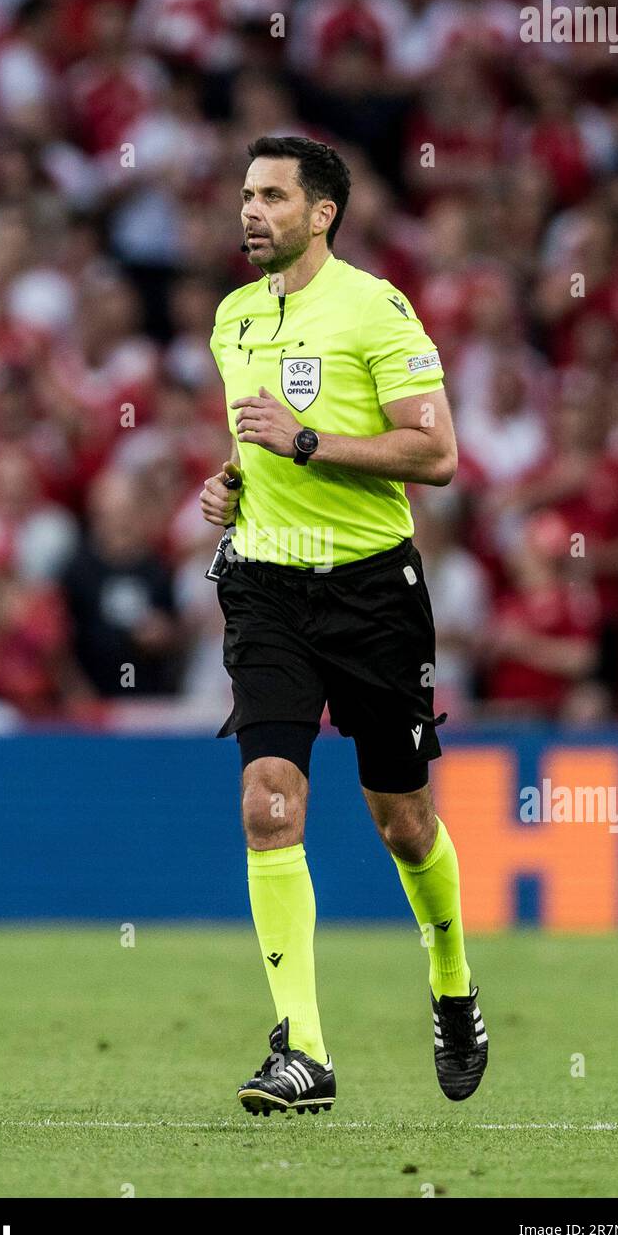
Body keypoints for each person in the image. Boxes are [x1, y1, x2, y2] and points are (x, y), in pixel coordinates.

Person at [200, 135, 488, 1115]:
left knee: (404, 823)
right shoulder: (233, 319)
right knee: (268, 799)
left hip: (371, 590)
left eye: (273, 196)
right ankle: (304, 1050)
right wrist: (232, 482)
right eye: (246, 194)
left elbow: (438, 451)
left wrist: (312, 440)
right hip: (269, 589)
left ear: (322, 212)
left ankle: (451, 979)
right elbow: (254, 444)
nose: (252, 212)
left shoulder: (375, 307)